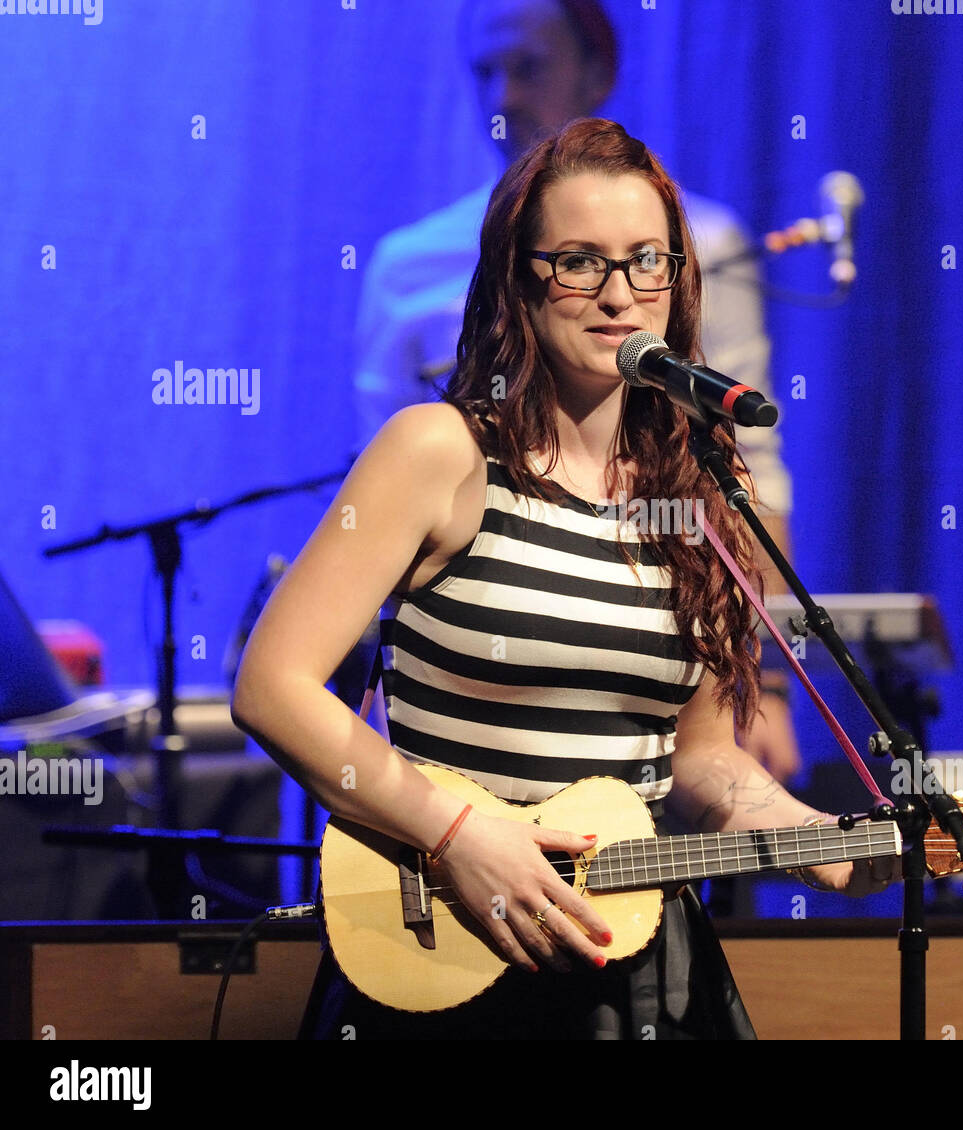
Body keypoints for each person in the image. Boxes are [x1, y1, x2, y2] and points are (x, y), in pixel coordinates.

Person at [232, 119, 899, 1039]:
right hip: (446, 955)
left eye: (647, 263)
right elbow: (272, 688)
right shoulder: (440, 451)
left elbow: (700, 759)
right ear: (519, 279)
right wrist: (456, 834)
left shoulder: (708, 491)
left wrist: (826, 848)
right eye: (580, 262)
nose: (619, 295)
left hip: (634, 967)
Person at [354, 0, 802, 783]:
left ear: (599, 71)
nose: (502, 97)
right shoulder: (407, 267)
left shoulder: (678, 489)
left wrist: (763, 688)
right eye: (484, 71)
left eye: (529, 66)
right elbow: (376, 505)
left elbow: (751, 469)